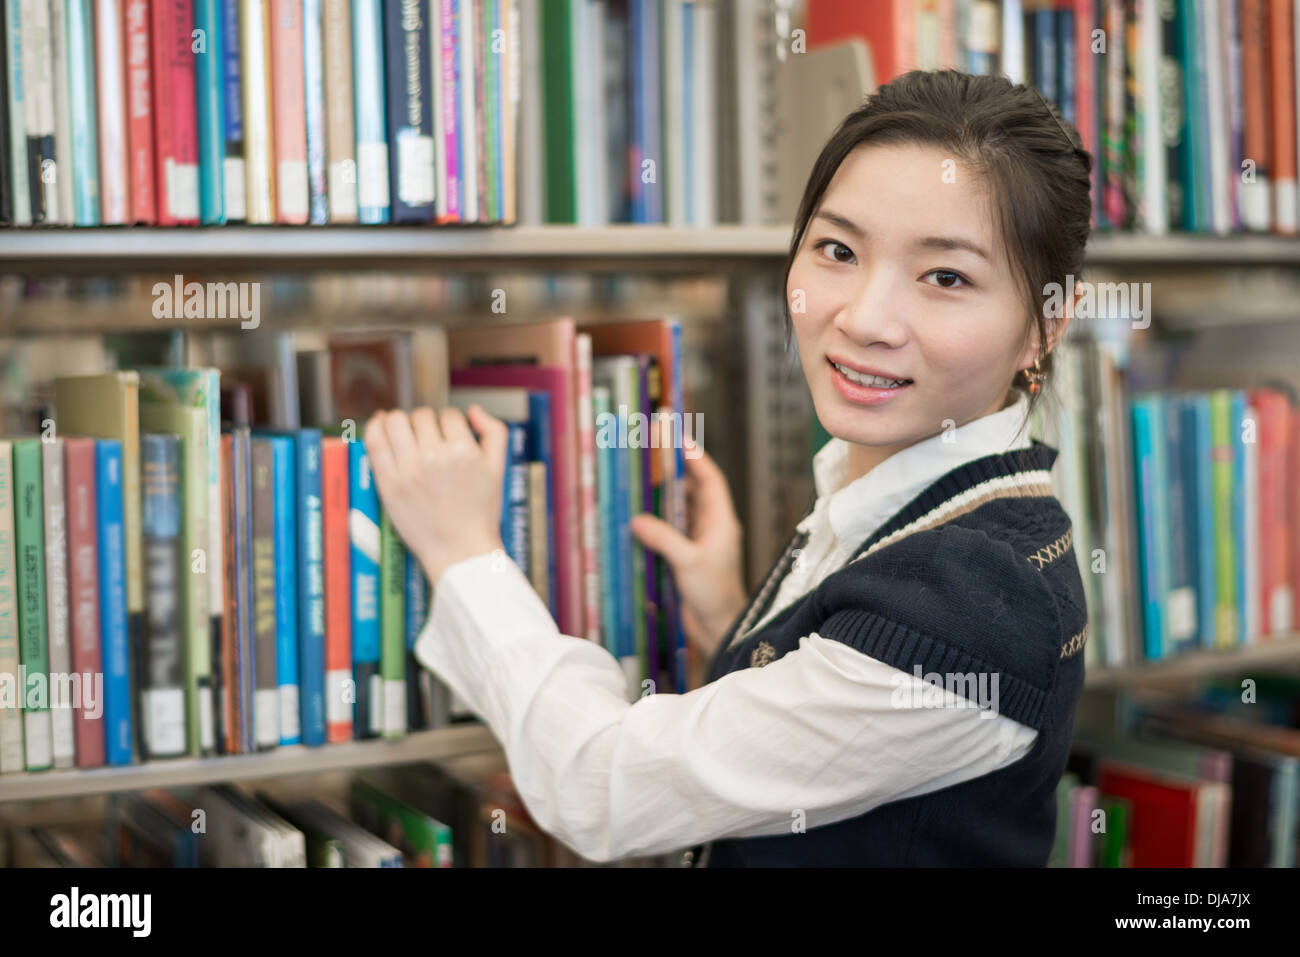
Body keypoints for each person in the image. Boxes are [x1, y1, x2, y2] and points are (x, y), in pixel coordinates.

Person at [363, 70, 1091, 867]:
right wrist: (728, 617)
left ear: (1044, 327)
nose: (864, 318)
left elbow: (600, 787)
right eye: (838, 250)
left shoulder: (974, 607)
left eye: (945, 277)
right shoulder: (910, 493)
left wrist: (463, 552)